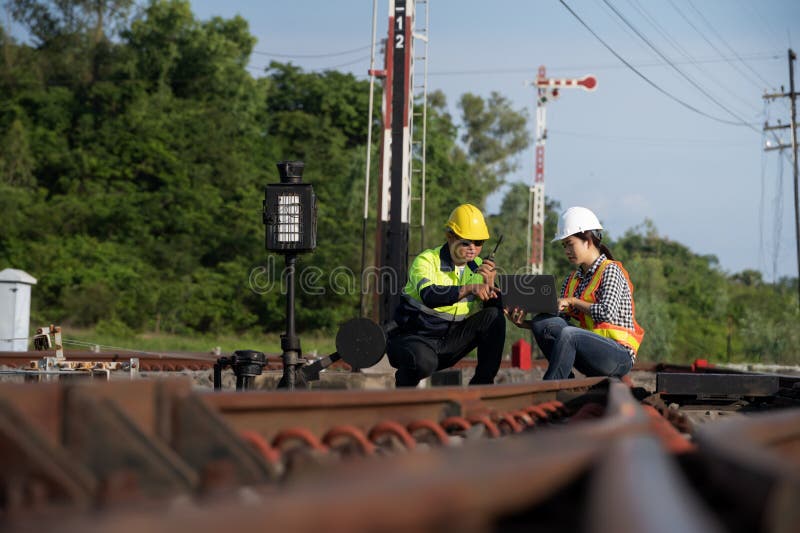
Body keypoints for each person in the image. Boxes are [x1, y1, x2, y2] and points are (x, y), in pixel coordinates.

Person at [507, 206, 644, 380]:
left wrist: (572, 301)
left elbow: (606, 313)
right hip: (592, 354)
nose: (566, 251)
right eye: (564, 246)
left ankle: (551, 386)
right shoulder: (573, 279)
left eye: (570, 244)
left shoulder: (611, 270)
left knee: (569, 334)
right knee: (544, 322)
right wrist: (526, 324)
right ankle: (565, 382)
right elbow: (558, 325)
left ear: (587, 240)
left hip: (618, 356)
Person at [386, 203, 506, 387]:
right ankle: (403, 392)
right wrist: (469, 288)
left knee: (494, 317)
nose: (473, 248)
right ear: (450, 236)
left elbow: (494, 317)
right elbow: (430, 296)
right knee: (426, 362)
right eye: (466, 241)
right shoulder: (426, 260)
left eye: (479, 243)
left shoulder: (479, 266)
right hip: (411, 339)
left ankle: (482, 386)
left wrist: (490, 287)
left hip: (447, 343)